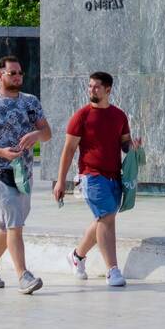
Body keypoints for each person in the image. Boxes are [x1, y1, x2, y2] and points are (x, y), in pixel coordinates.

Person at [0, 55, 51, 294]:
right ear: (0, 75)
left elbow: (47, 132)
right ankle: (23, 276)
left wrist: (36, 136)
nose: (17, 77)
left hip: (23, 173)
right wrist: (0, 152)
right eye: (12, 73)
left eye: (19, 73)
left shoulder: (30, 102)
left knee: (8, 225)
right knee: (15, 222)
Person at [53, 71, 141, 288]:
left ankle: (77, 256)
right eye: (90, 86)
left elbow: (124, 144)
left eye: (96, 87)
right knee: (107, 218)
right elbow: (69, 149)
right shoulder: (81, 116)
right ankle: (112, 270)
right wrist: (60, 180)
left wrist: (133, 147)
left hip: (114, 175)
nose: (91, 90)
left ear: (108, 90)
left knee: (104, 219)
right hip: (91, 176)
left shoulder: (119, 116)